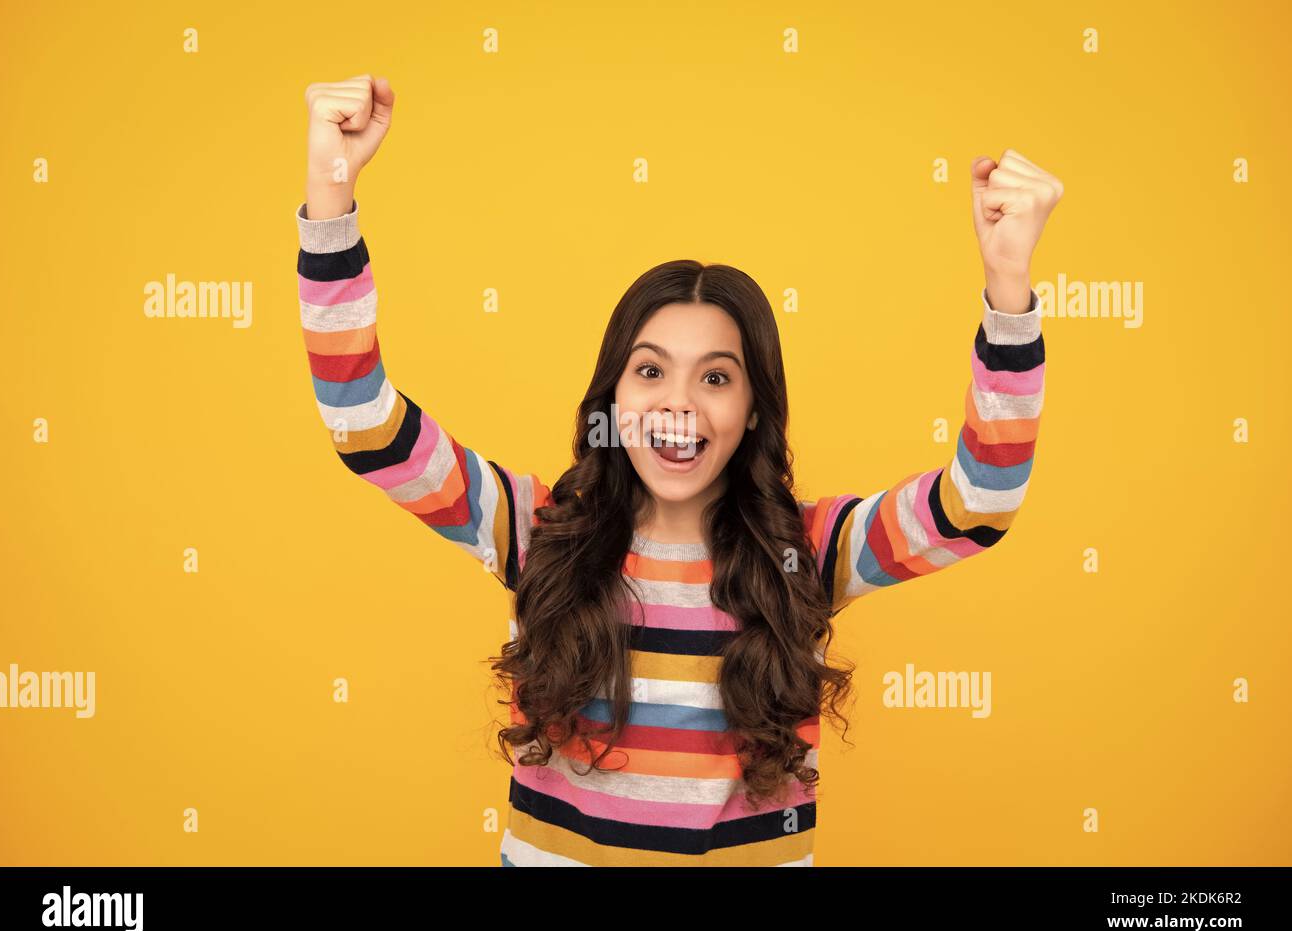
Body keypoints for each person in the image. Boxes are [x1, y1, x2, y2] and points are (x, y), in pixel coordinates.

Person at [295, 74, 1060, 866]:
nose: (679, 407)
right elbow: (367, 428)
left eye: (717, 377)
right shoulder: (535, 530)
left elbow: (980, 503)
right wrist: (330, 194)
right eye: (651, 372)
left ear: (756, 408)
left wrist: (1009, 290)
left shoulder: (811, 550)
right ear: (614, 392)